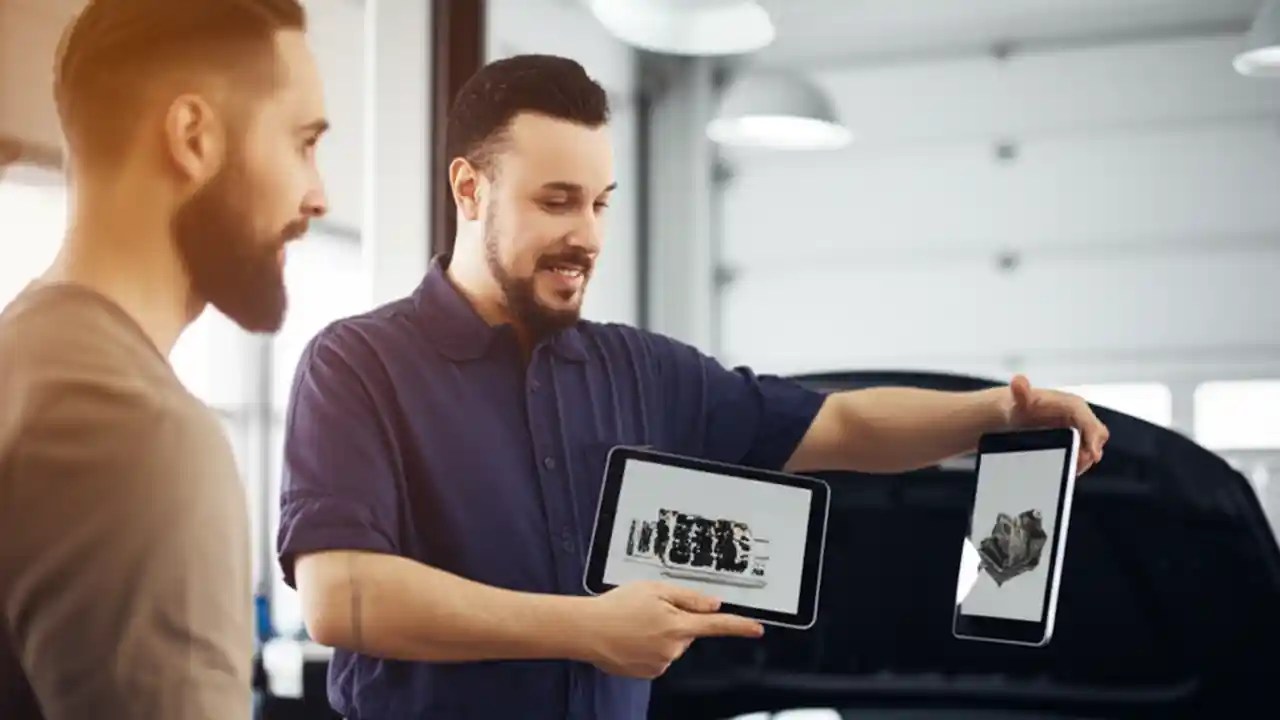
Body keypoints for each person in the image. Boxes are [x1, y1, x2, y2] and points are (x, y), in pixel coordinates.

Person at [277, 54, 1109, 719]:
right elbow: (342, 596)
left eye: (601, 203)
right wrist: (586, 631)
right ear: (470, 189)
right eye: (557, 202)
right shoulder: (357, 366)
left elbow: (845, 425)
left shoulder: (644, 371)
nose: (587, 235)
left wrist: (998, 411)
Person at [0, 1, 329, 718]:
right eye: (303, 143)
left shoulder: (22, 359)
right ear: (192, 136)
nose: (318, 196)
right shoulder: (141, 434)